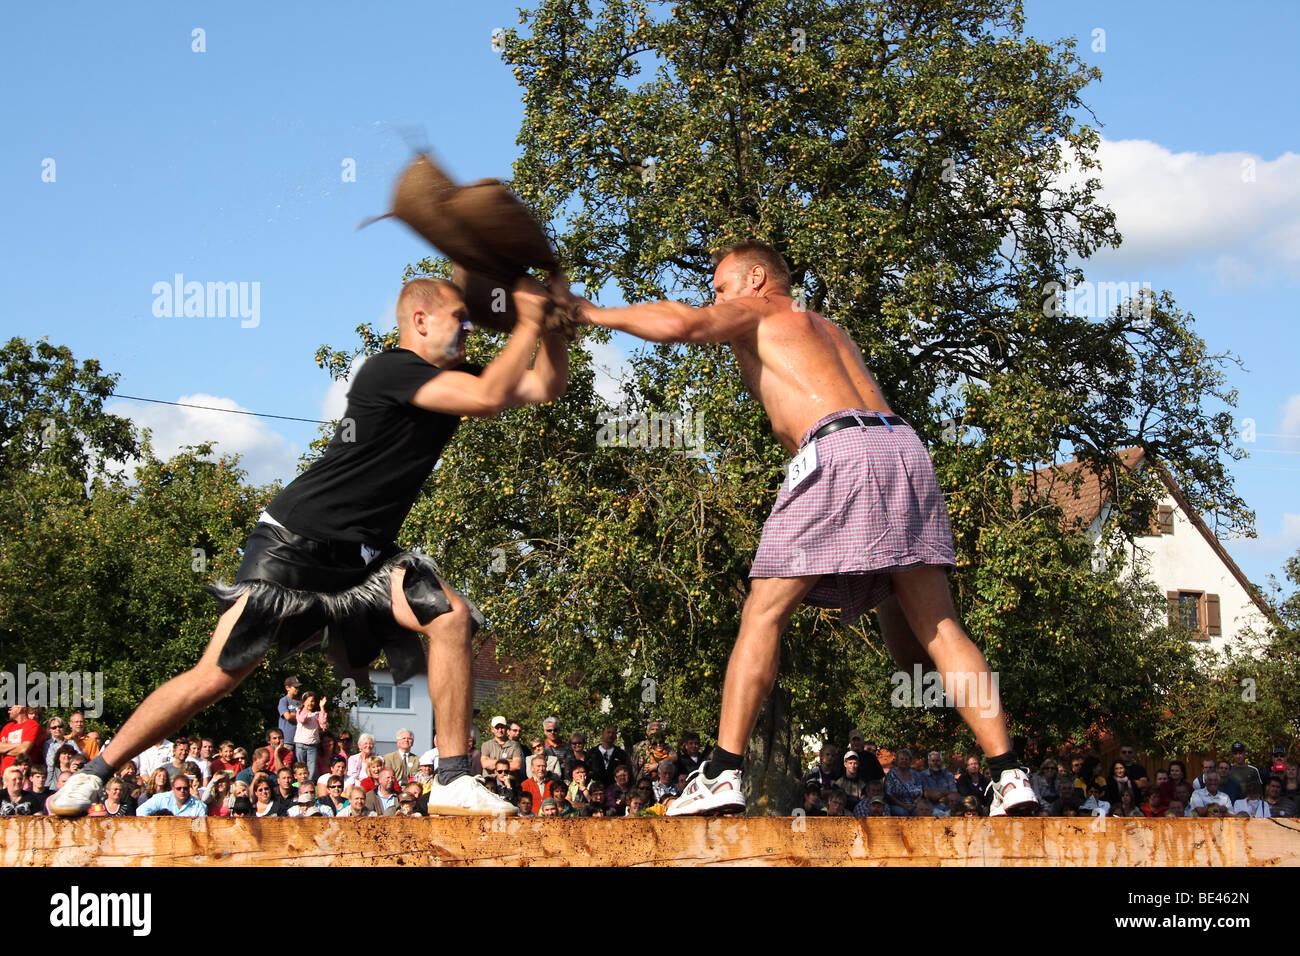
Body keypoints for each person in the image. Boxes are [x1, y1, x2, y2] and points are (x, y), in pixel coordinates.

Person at [49, 275, 570, 817]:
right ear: (418, 321)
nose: (468, 325)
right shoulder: (391, 370)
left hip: (363, 560)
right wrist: (529, 318)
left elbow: (543, 384)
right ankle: (94, 772)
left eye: (470, 317)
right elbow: (489, 398)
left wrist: (552, 329)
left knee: (450, 616)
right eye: (457, 316)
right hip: (293, 546)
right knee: (217, 676)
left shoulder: (455, 377)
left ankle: (452, 779)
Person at [564, 242, 1036, 816]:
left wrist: (587, 311)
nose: (715, 300)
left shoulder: (761, 311)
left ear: (757, 278)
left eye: (719, 288)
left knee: (764, 611)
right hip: (902, 447)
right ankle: (1010, 776)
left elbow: (680, 324)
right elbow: (909, 662)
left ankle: (723, 771)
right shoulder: (828, 330)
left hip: (836, 447)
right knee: (938, 626)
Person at [136, 775, 207, 817]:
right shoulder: (161, 798)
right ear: (173, 788)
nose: (182, 791)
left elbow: (199, 829)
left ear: (189, 788)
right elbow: (140, 811)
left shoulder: (199, 806)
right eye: (178, 788)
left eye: (185, 788)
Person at [293, 691, 327, 772]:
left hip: (312, 744)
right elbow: (302, 719)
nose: (311, 703)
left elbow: (323, 722)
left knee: (312, 767)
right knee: (301, 767)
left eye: (312, 701)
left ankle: (310, 783)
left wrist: (322, 707)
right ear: (304, 701)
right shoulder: (300, 712)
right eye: (308, 701)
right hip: (301, 744)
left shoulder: (316, 714)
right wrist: (305, 708)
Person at [0, 705, 40, 776]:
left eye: (11, 708)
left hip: (23, 775)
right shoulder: (7, 727)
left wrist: (5, 748)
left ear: (20, 708)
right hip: (5, 774)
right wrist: (20, 745)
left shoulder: (32, 725)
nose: (9, 711)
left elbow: (24, 750)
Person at [277, 676, 301, 746]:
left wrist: (293, 715)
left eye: (298, 687)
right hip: (287, 739)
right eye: (295, 687)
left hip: (299, 740)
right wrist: (299, 716)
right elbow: (287, 716)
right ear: (287, 688)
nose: (297, 689)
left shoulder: (300, 702)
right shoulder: (284, 701)